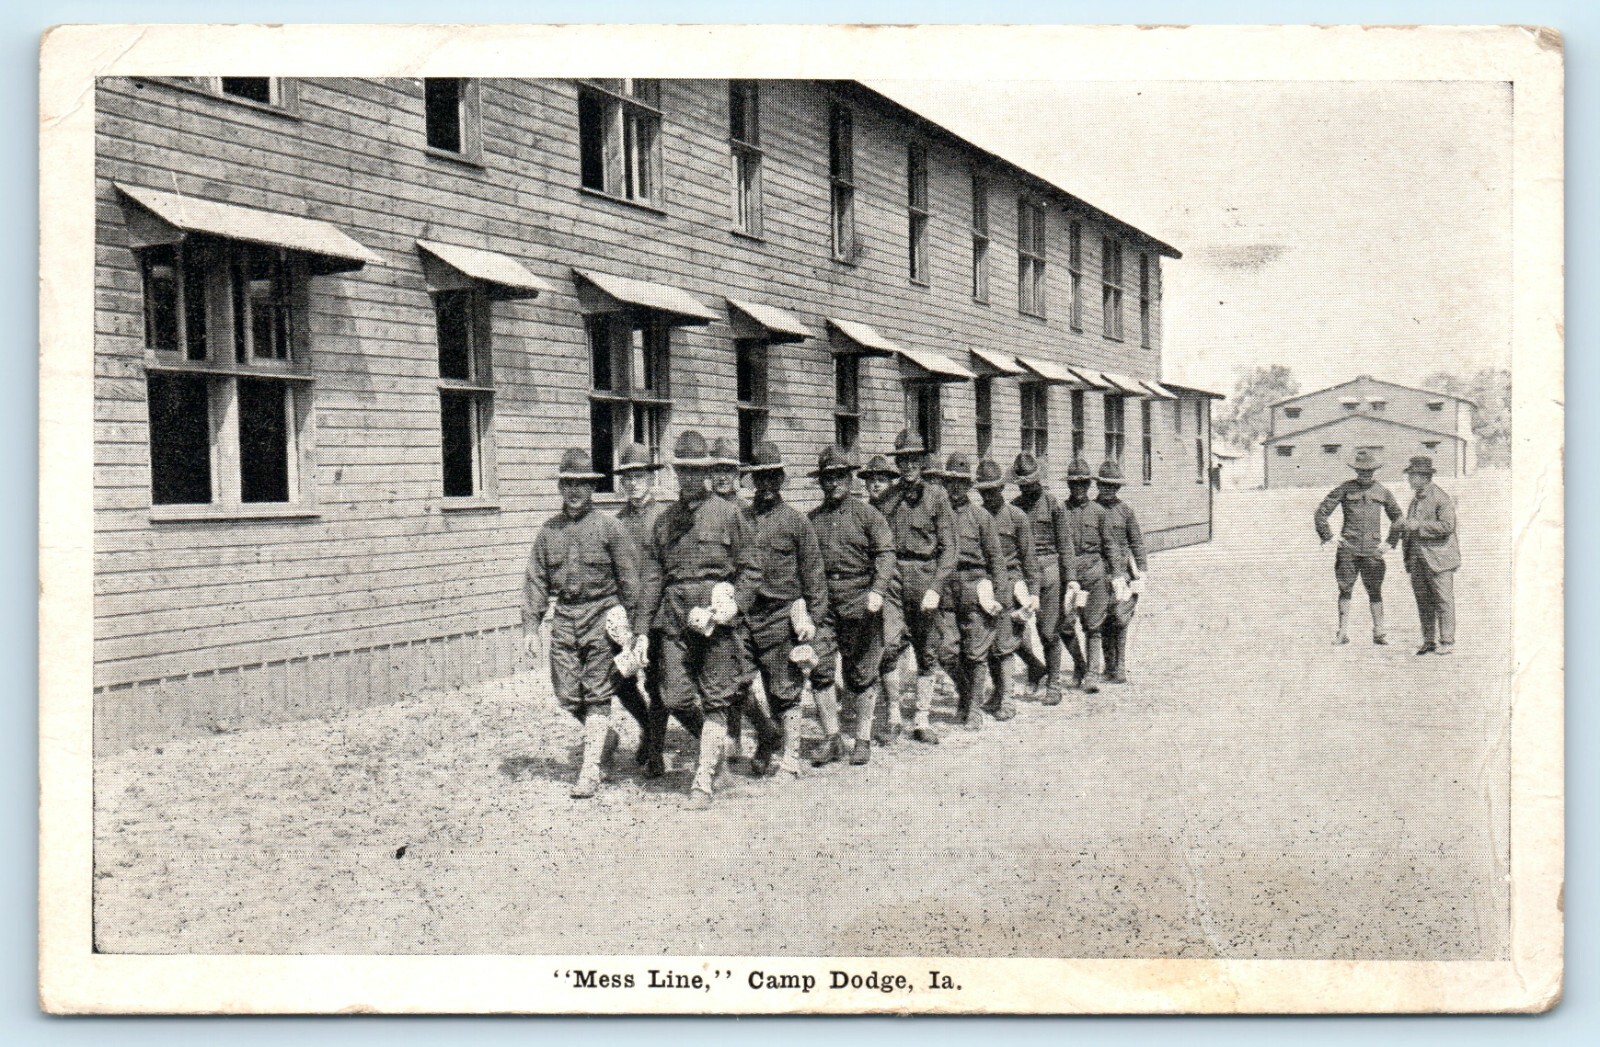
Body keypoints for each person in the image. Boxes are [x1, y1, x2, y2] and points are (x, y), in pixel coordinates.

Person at [640, 430, 761, 810]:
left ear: (706, 473)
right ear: (676, 472)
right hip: (675, 618)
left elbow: (751, 569)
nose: (690, 478)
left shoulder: (729, 514)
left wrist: (734, 604)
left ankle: (704, 782)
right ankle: (717, 744)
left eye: (697, 471)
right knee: (672, 694)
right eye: (683, 471)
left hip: (716, 619)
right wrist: (642, 632)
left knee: (716, 699)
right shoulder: (664, 521)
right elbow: (653, 577)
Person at [522, 448, 643, 799]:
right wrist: (531, 627)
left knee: (597, 692)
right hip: (565, 617)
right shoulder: (548, 532)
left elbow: (629, 580)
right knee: (566, 694)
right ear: (560, 488)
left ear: (592, 488)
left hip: (601, 614)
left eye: (582, 484)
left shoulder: (610, 527)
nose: (575, 491)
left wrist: (632, 628)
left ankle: (590, 770)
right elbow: (537, 580)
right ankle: (604, 736)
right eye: (568, 484)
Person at [737, 441, 829, 776]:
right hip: (745, 616)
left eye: (771, 478)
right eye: (759, 479)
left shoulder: (796, 522)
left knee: (784, 690)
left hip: (781, 614)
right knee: (735, 685)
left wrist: (812, 623)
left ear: (780, 480)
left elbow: (814, 574)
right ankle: (766, 732)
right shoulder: (741, 519)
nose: (765, 486)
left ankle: (790, 758)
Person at [807, 446, 897, 767]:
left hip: (861, 599)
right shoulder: (813, 520)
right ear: (821, 482)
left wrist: (878, 589)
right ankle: (832, 739)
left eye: (839, 476)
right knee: (819, 667)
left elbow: (885, 554)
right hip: (824, 603)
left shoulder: (868, 514)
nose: (833, 483)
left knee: (861, 672)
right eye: (827, 478)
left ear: (849, 478)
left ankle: (862, 738)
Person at [876, 430, 958, 744]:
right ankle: (894, 715)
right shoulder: (886, 499)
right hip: (894, 577)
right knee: (888, 645)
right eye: (903, 460)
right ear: (898, 464)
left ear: (922, 462)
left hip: (926, 576)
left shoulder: (938, 497)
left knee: (927, 651)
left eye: (914, 459)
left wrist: (937, 586)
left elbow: (950, 548)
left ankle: (922, 719)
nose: (909, 465)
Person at [611, 442, 670, 778]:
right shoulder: (617, 522)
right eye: (627, 477)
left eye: (639, 476)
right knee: (618, 677)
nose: (632, 483)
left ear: (651, 477)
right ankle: (647, 724)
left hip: (659, 614)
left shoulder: (664, 518)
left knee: (658, 683)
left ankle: (656, 749)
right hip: (626, 618)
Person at [938, 453, 1006, 729]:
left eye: (961, 483)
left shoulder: (981, 518)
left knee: (976, 652)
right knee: (946, 651)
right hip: (945, 590)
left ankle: (974, 708)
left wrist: (999, 599)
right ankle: (965, 693)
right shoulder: (937, 515)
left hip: (975, 588)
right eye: (950, 482)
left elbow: (996, 560)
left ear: (969, 486)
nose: (955, 488)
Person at [1313, 448, 1403, 646]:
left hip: (1373, 550)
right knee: (1345, 589)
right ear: (1356, 471)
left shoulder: (1382, 492)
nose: (1365, 475)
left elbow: (1398, 517)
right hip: (1349, 549)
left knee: (1375, 590)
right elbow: (1321, 512)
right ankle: (1342, 633)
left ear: (1374, 471)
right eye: (1362, 471)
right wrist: (1329, 536)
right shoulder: (1345, 489)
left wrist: (1390, 542)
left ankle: (1379, 632)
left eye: (1369, 471)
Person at [1010, 452, 1078, 705]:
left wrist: (1071, 579)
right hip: (1021, 573)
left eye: (1031, 483)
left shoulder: (1053, 505)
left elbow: (1066, 545)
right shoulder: (1014, 507)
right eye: (1022, 484)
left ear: (1039, 481)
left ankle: (1053, 684)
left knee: (1048, 632)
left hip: (1048, 570)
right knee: (1011, 629)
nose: (1027, 488)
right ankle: (1035, 667)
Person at [976, 458, 1038, 722]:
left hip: (1010, 584)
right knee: (988, 644)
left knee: (1004, 644)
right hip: (985, 585)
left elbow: (1029, 559)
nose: (988, 496)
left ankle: (1008, 700)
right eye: (983, 491)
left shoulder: (1017, 517)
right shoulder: (977, 516)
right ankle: (998, 693)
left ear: (1002, 489)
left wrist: (1032, 592)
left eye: (993, 490)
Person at [861, 454, 910, 742]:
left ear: (890, 482)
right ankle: (880, 711)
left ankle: (894, 712)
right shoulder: (864, 511)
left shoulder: (899, 510)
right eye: (871, 480)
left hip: (897, 584)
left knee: (890, 647)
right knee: (872, 649)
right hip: (870, 586)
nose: (876, 485)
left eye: (881, 480)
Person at [1392, 455, 1460, 655]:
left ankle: (1447, 642)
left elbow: (1448, 526)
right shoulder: (1415, 499)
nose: (1410, 479)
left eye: (1413, 476)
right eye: (1410, 475)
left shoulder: (1441, 498)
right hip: (1417, 558)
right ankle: (1428, 641)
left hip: (1439, 559)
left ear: (1425, 477)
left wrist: (1418, 525)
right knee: (1423, 600)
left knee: (1443, 600)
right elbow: (1411, 528)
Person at [1060, 458, 1115, 693]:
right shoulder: (1060, 511)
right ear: (1069, 486)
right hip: (1069, 575)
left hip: (1095, 573)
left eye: (1083, 484)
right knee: (1065, 625)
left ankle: (1092, 673)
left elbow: (1110, 545)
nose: (1079, 489)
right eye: (1074, 484)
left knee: (1093, 626)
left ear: (1089, 486)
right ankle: (1079, 665)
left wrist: (1116, 574)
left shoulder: (1100, 512)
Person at [1096, 460, 1147, 685]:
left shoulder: (1125, 511)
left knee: (1120, 616)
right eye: (1105, 485)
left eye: (1113, 486)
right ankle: (1110, 665)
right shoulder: (1091, 509)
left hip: (1123, 573)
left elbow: (1137, 543)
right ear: (1098, 486)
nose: (1109, 490)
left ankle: (1121, 665)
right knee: (1103, 620)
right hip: (1100, 572)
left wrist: (1142, 572)